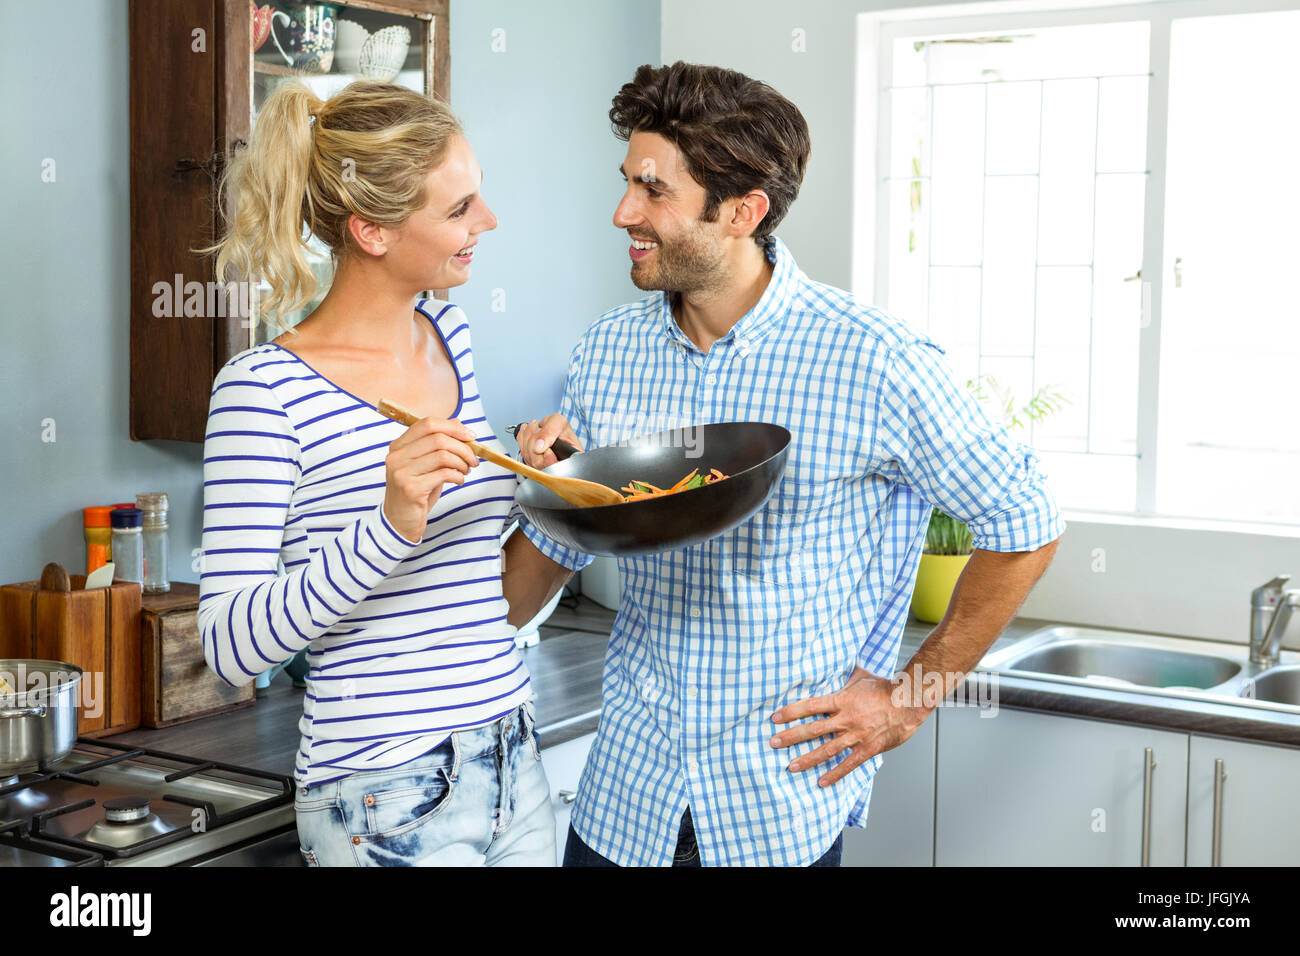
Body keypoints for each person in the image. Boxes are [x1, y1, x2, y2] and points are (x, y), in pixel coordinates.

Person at [511, 62, 1066, 866]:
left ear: (744, 211)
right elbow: (562, 548)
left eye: (654, 191)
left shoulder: (872, 358)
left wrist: (909, 701)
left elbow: (1026, 519)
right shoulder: (608, 349)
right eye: (628, 181)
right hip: (624, 800)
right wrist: (537, 482)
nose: (622, 212)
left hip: (773, 809)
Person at [198, 80, 564, 866]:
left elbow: (463, 567)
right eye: (459, 208)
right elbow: (229, 647)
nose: (487, 222)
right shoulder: (262, 392)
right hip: (382, 788)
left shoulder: (447, 332)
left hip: (509, 753)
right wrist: (387, 523)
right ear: (371, 231)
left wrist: (535, 473)